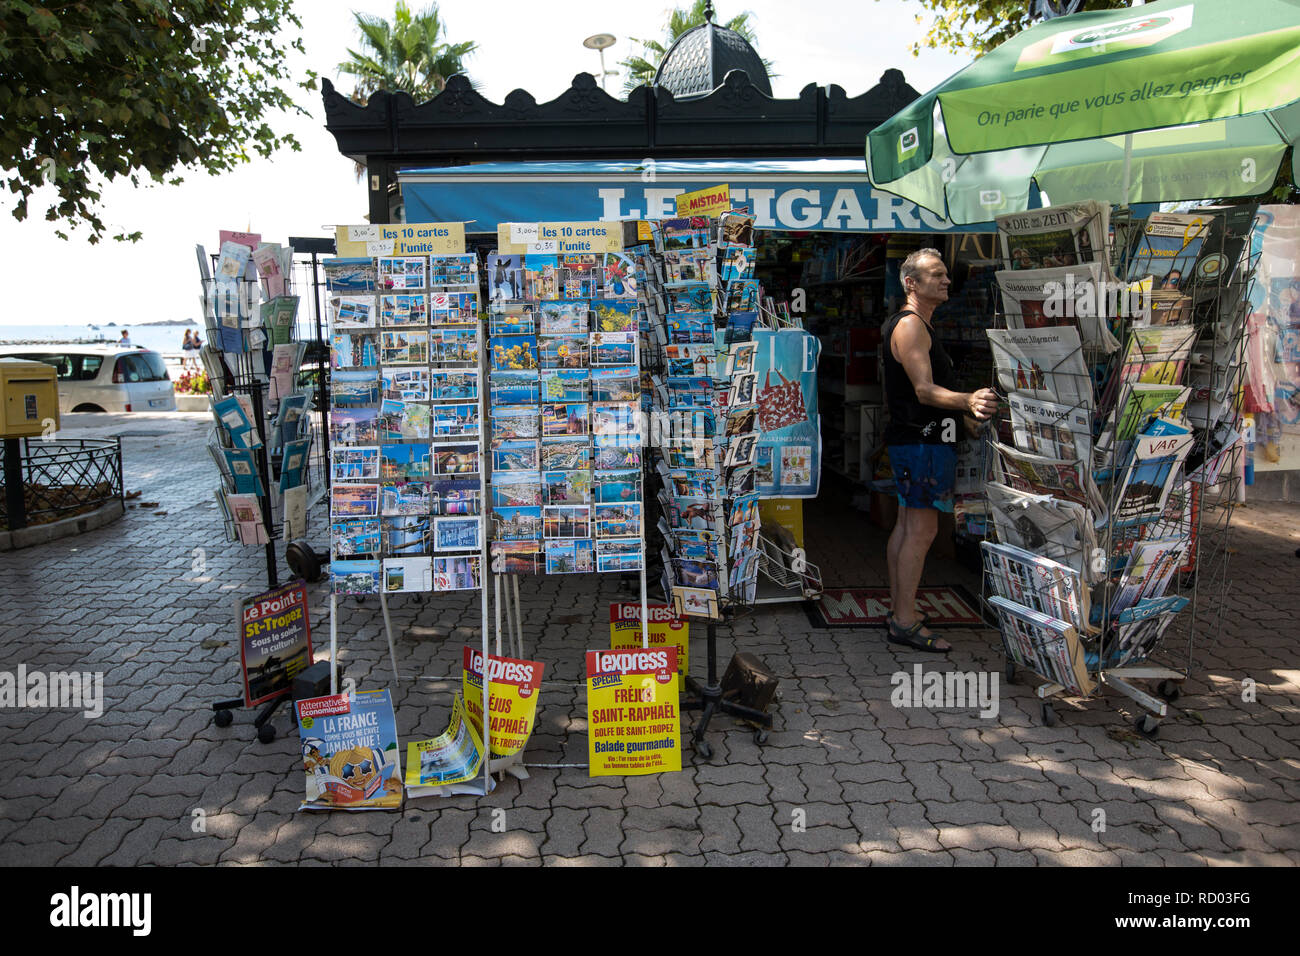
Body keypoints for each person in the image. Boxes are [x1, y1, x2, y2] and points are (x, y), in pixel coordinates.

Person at [883, 248, 998, 653]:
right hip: (922, 444)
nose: (946, 280)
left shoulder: (918, 325)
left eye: (946, 274)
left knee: (906, 526)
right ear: (911, 283)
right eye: (935, 274)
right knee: (922, 530)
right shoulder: (912, 327)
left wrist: (962, 418)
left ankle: (901, 608)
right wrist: (968, 401)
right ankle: (903, 621)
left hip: (918, 440)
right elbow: (924, 391)